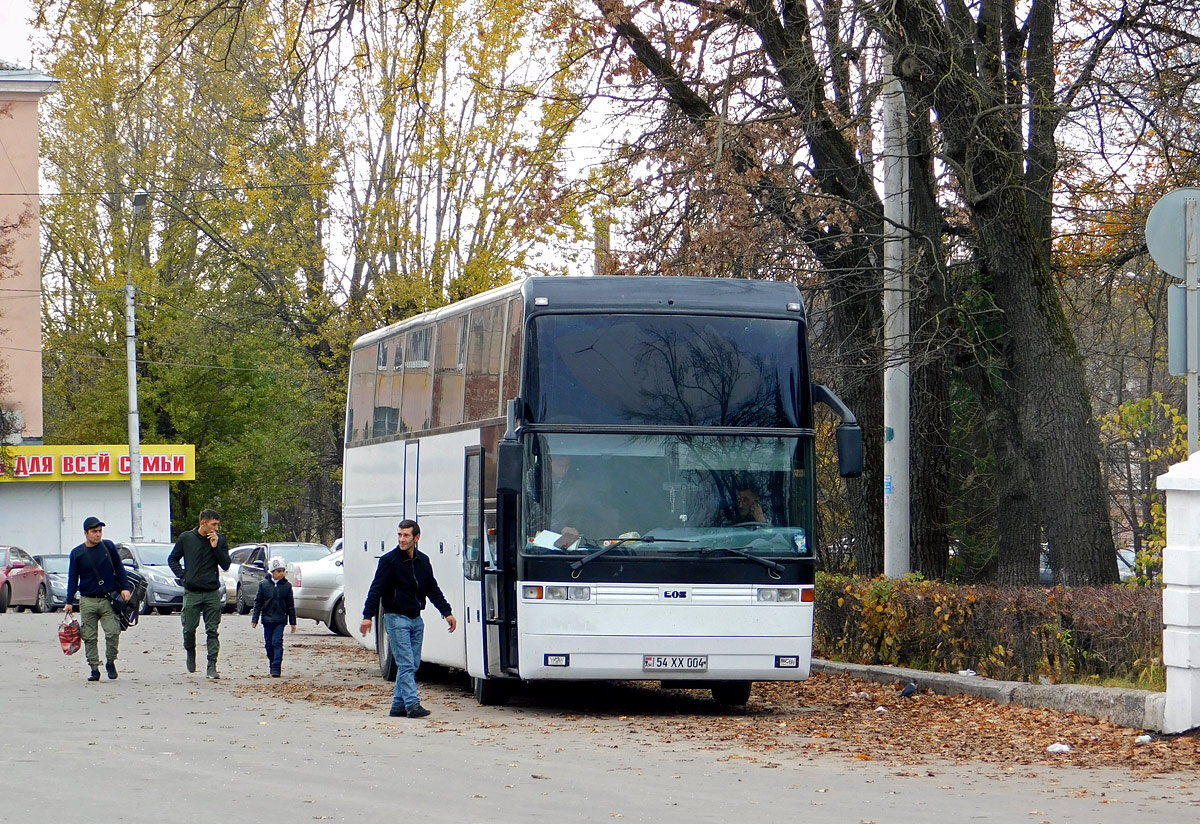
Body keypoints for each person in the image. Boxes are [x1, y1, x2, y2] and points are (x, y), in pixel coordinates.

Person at [360, 519, 457, 718]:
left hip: (416, 618)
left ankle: (397, 705)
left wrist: (447, 612)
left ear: (416, 537)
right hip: (395, 618)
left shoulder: (423, 561)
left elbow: (432, 588)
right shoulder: (389, 561)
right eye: (400, 535)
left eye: (406, 535)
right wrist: (367, 616)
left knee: (413, 664)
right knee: (405, 664)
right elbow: (375, 590)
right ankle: (412, 705)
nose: (402, 539)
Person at [64, 516, 132, 681]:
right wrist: (69, 602)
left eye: (100, 531)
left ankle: (110, 661)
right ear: (86, 533)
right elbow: (73, 578)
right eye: (94, 531)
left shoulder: (108, 547)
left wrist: (125, 587)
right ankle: (94, 668)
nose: (98, 534)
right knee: (89, 636)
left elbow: (119, 568)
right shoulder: (77, 553)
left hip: (108, 599)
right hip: (87, 600)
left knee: (113, 632)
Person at [168, 509, 231, 679]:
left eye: (217, 524)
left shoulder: (219, 540)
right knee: (188, 628)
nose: (216, 528)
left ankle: (212, 666)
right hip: (192, 591)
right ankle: (190, 651)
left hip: (212, 591)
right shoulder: (186, 538)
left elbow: (226, 565)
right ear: (203, 523)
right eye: (213, 524)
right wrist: (183, 575)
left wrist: (215, 547)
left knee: (212, 630)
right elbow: (172, 559)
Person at [251, 556, 297, 677]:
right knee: (268, 644)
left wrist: (293, 621)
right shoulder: (263, 585)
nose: (282, 573)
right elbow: (258, 602)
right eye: (279, 571)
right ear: (272, 572)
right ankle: (272, 662)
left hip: (280, 619)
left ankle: (276, 666)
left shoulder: (287, 586)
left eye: (283, 571)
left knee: (277, 642)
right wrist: (255, 618)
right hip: (267, 619)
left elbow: (290, 605)